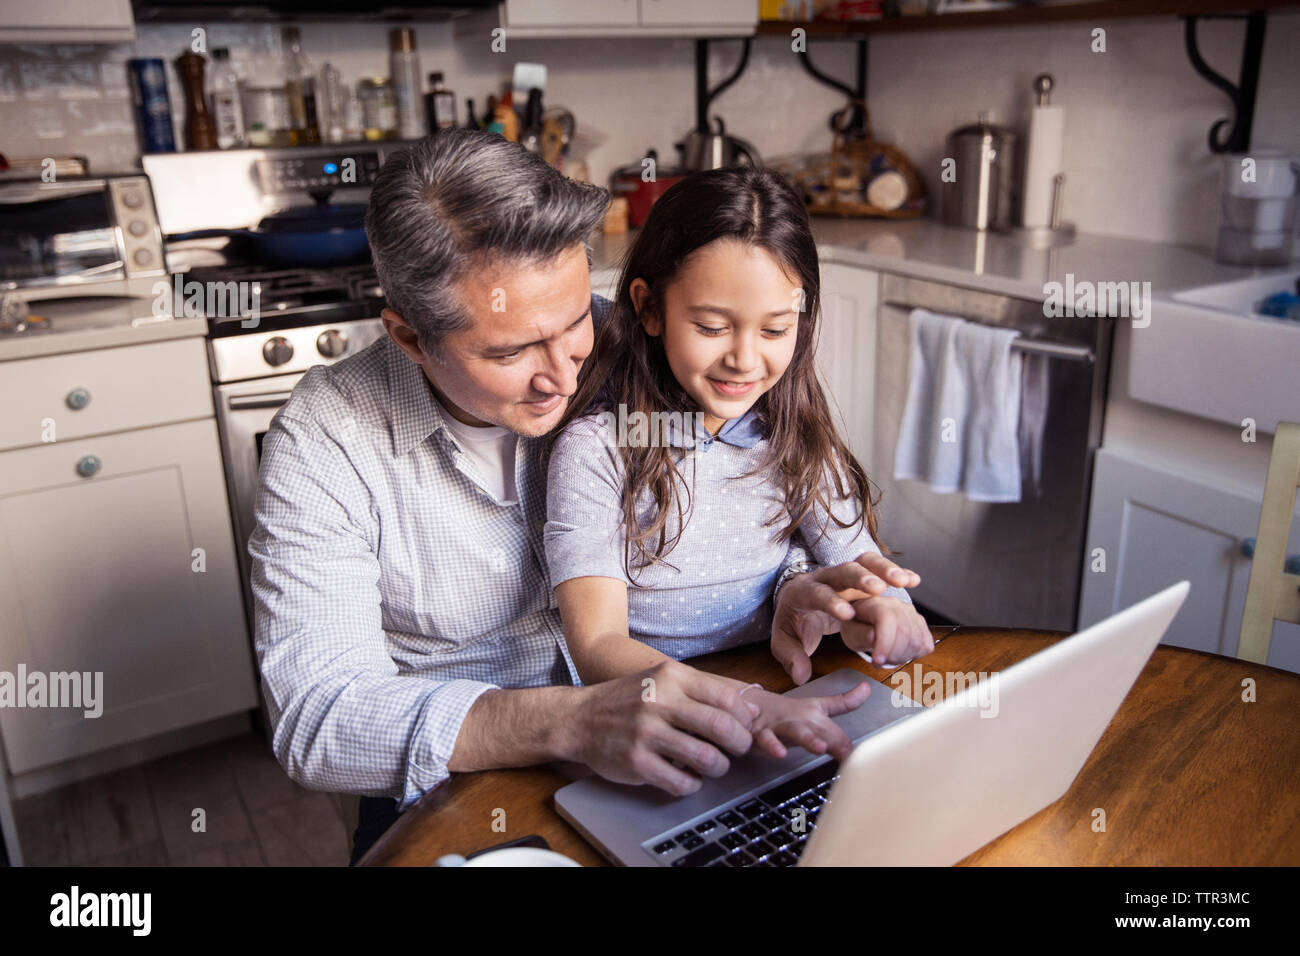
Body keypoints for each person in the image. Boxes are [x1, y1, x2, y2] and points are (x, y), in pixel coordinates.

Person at [247, 130, 922, 865]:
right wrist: (565, 723)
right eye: (509, 353)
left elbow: (755, 483)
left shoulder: (641, 342)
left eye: (572, 323)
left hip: (681, 740)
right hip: (464, 785)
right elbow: (317, 720)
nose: (565, 379)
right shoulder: (325, 441)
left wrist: (799, 582)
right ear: (411, 338)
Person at [544, 166, 934, 764]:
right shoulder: (597, 450)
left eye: (775, 328)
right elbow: (598, 645)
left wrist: (884, 609)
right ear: (649, 309)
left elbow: (855, 563)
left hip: (779, 695)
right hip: (652, 724)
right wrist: (747, 705)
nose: (744, 360)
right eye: (711, 326)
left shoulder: (795, 435)